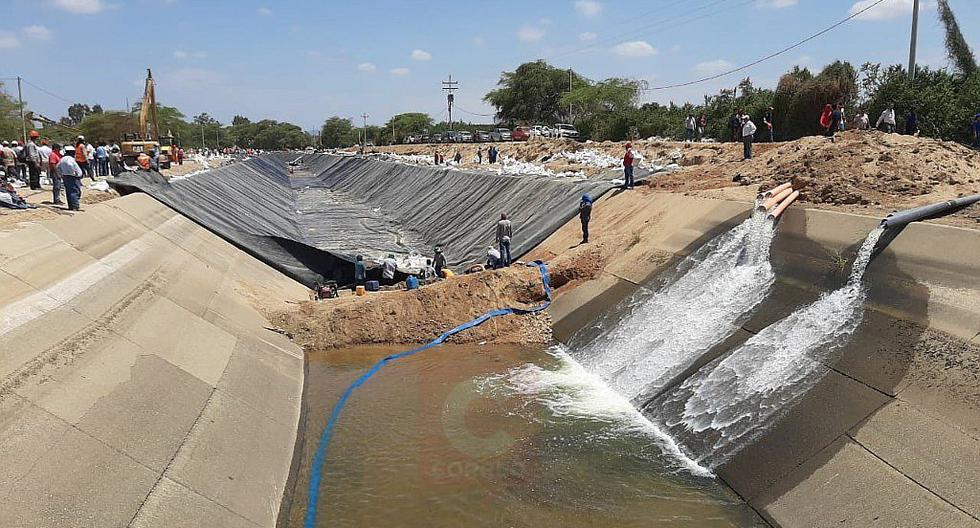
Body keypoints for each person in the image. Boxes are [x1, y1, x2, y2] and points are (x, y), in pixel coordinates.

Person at [57, 144, 84, 211]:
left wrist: (60, 174)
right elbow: (70, 165)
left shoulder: (62, 159)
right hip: (72, 177)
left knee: (69, 192)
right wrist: (73, 173)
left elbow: (58, 167)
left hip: (65, 176)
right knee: (75, 191)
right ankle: (75, 206)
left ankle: (71, 206)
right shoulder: (69, 159)